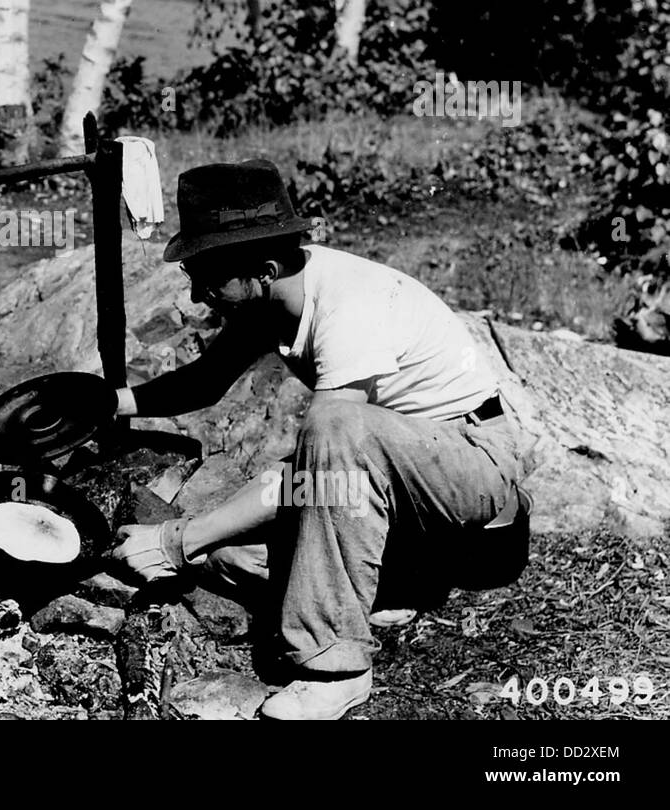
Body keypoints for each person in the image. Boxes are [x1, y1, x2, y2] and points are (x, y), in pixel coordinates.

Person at [110, 160, 529, 720]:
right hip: (397, 491)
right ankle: (391, 585)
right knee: (229, 553)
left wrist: (178, 539)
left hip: (476, 481)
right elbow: (206, 381)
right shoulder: (272, 293)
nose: (196, 297)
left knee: (328, 432)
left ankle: (337, 669)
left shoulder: (348, 304)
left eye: (206, 279)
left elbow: (328, 466)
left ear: (262, 268)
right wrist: (110, 403)